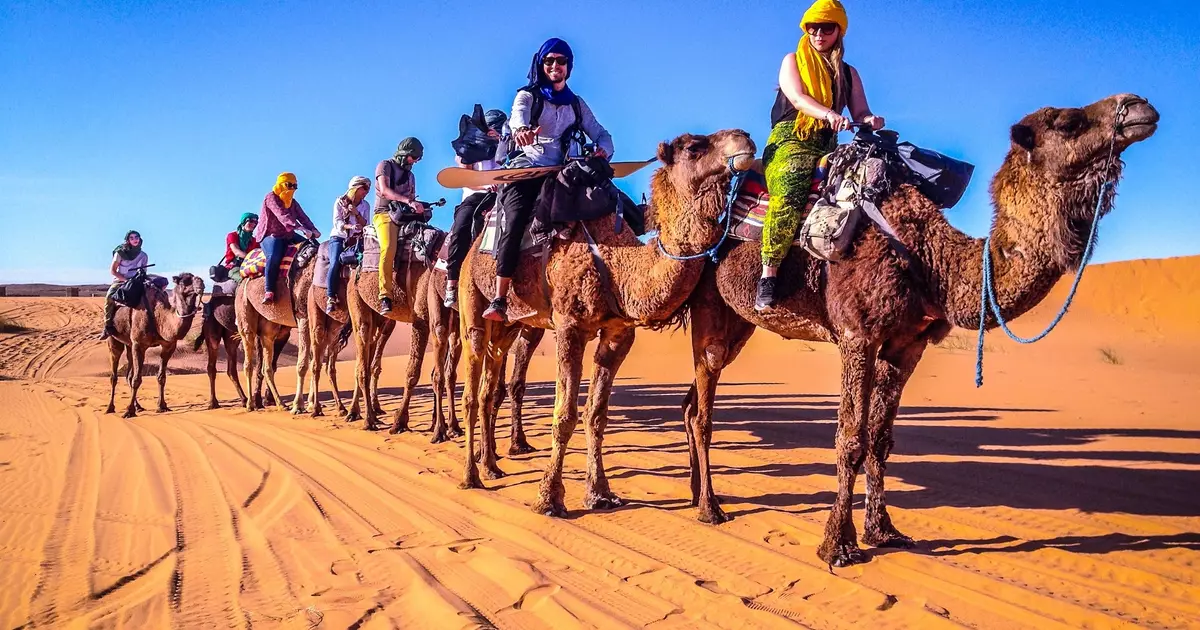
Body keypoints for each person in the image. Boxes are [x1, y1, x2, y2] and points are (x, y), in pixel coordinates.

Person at [756, 0, 884, 311]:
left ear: (839, 31)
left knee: (867, 184)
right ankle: (768, 274)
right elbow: (798, 99)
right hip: (790, 141)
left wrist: (871, 121)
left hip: (827, 145)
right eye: (812, 27)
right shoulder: (793, 61)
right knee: (791, 189)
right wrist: (827, 114)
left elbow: (861, 111)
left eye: (826, 28)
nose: (818, 34)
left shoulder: (849, 74)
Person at [484, 37, 614, 322]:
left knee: (606, 199)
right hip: (526, 170)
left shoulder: (577, 105)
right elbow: (518, 120)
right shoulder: (528, 96)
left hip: (561, 173)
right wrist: (521, 132)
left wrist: (604, 149)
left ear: (569, 67)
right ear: (541, 64)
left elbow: (601, 132)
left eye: (561, 61)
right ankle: (500, 296)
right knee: (516, 219)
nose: (555, 65)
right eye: (549, 61)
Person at [444, 108, 509, 309]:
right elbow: (466, 179)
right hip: (474, 196)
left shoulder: (507, 147)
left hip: (501, 196)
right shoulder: (468, 150)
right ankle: (452, 284)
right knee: (460, 229)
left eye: (498, 129)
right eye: (492, 129)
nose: (494, 133)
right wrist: (484, 186)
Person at [373, 137, 428, 314]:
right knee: (388, 248)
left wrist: (420, 207)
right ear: (405, 154)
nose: (416, 162)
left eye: (418, 159)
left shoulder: (411, 176)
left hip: (404, 215)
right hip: (384, 214)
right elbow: (385, 191)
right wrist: (408, 201)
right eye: (414, 157)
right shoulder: (385, 165)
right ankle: (385, 295)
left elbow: (411, 199)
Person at [254, 172, 320, 304]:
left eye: (295, 186)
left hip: (287, 234)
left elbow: (303, 217)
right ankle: (269, 290)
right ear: (281, 184)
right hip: (270, 235)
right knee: (274, 255)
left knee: (313, 247)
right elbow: (282, 215)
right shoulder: (271, 197)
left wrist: (313, 230)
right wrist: (300, 228)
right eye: (290, 185)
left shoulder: (293, 203)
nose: (293, 189)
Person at [325, 175, 371, 313]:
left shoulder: (365, 205)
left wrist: (356, 214)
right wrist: (350, 227)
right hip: (339, 237)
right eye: (364, 188)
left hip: (356, 239)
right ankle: (331, 296)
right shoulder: (340, 201)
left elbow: (366, 224)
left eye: (368, 188)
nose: (366, 191)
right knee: (335, 263)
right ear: (355, 188)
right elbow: (337, 222)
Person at [98, 230, 149, 340]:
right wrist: (125, 280)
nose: (135, 239)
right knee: (109, 298)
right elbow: (113, 270)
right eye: (131, 238)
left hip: (136, 281)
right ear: (128, 240)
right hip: (121, 280)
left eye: (136, 237)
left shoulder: (143, 255)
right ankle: (107, 326)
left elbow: (143, 271)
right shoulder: (120, 252)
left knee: (152, 295)